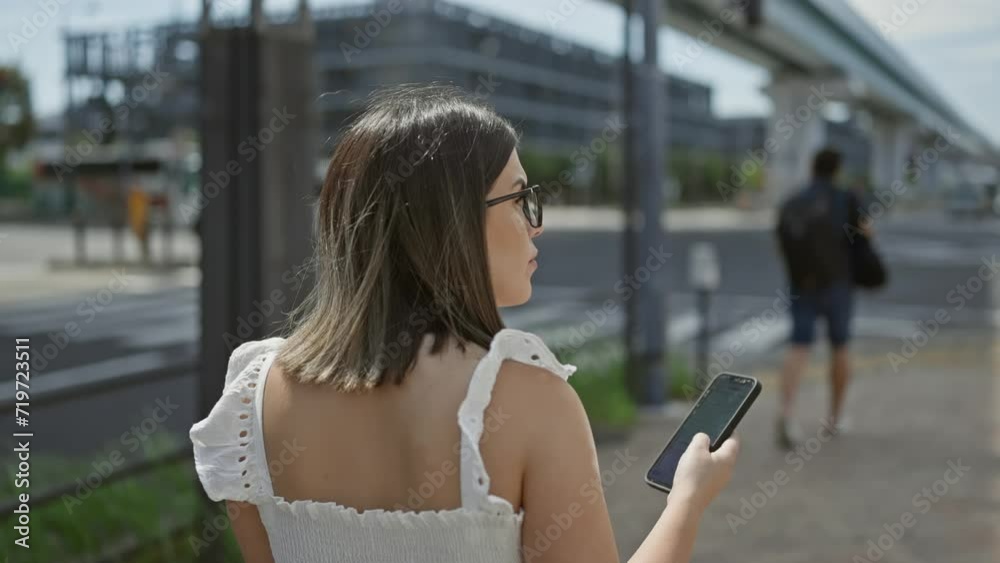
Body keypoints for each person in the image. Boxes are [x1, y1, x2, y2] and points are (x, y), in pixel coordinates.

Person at [189, 84, 740, 563]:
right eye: (521, 197)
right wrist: (687, 501)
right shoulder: (527, 399)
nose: (536, 224)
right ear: (449, 219)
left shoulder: (253, 396)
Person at [775, 148, 869, 449]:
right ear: (836, 169)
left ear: (812, 168)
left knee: (798, 345)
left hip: (803, 284)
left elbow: (780, 241)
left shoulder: (793, 201)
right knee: (840, 347)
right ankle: (833, 418)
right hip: (838, 284)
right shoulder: (846, 198)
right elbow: (864, 235)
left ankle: (787, 414)